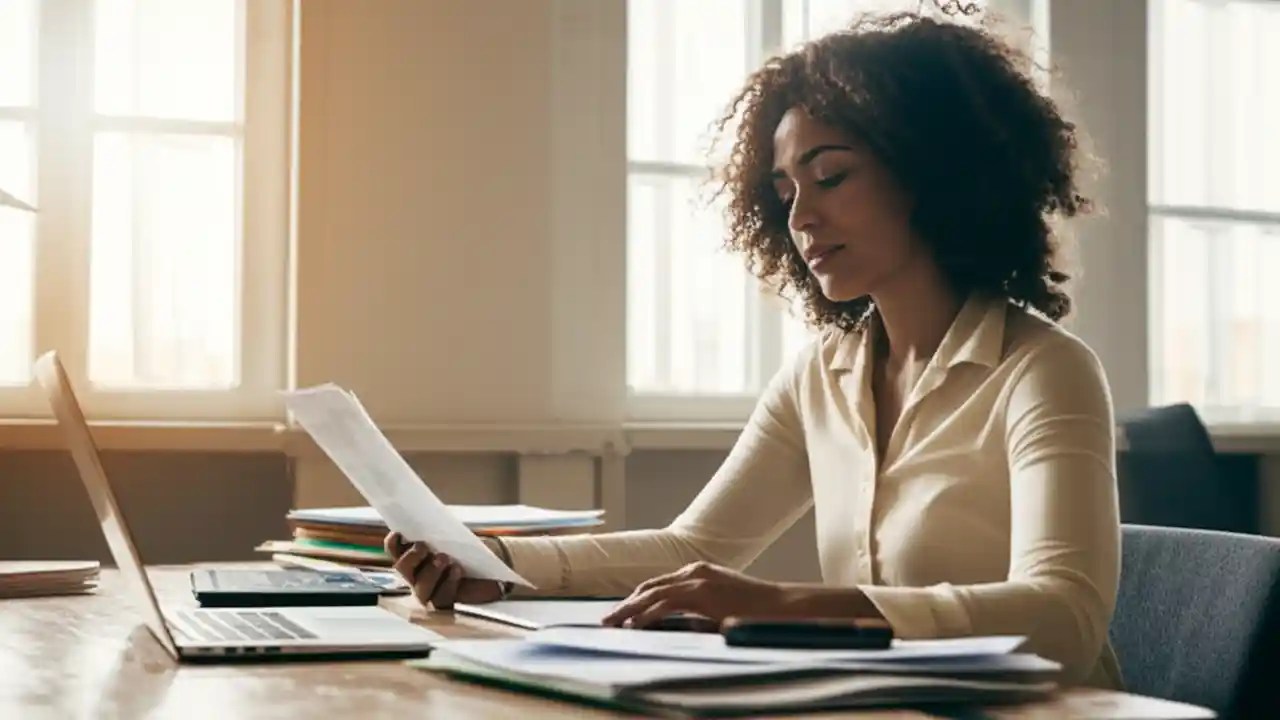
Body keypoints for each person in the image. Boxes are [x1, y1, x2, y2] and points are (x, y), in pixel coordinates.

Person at [386, 7, 1122, 688]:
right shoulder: (820, 377)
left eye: (830, 175)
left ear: (930, 172)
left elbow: (1064, 619)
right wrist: (497, 566)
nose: (802, 216)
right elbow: (692, 548)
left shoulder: (1045, 373)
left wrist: (786, 604)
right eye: (784, 190)